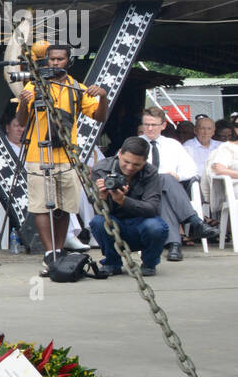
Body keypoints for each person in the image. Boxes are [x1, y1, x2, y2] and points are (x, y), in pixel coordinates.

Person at [13, 44, 108, 267]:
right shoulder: (33, 84)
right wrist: (25, 103)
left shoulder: (76, 87)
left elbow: (99, 116)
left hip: (67, 157)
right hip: (38, 155)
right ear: (46, 61)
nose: (55, 63)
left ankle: (59, 249)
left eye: (60, 59)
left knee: (65, 207)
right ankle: (49, 253)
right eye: (52, 59)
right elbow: (21, 122)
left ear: (68, 61)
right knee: (41, 206)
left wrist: (103, 96)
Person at [140, 106, 217, 258]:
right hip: (142, 189)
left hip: (168, 192)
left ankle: (174, 245)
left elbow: (191, 170)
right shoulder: (134, 143)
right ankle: (195, 222)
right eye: (146, 124)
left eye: (154, 125)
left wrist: (178, 176)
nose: (149, 128)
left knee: (165, 190)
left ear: (163, 125)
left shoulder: (173, 145)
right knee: (164, 179)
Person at [90, 137, 168, 276]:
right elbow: (98, 212)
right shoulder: (102, 169)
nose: (130, 168)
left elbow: (152, 209)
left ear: (145, 161)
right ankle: (111, 263)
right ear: (119, 153)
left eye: (136, 165)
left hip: (141, 223)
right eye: (126, 162)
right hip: (115, 223)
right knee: (98, 222)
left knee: (156, 227)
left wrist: (123, 200)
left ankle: (149, 263)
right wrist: (101, 197)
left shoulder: (150, 173)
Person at [183, 116, 218, 216]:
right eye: (202, 128)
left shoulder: (221, 146)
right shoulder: (188, 146)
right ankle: (205, 218)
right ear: (195, 130)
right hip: (198, 182)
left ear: (214, 131)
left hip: (218, 182)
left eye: (209, 129)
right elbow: (188, 170)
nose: (205, 132)